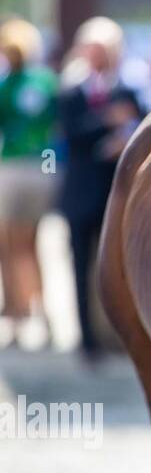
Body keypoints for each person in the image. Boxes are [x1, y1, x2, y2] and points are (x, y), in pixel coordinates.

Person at [56, 16, 145, 361]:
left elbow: (148, 122)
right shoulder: (71, 89)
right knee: (80, 264)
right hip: (80, 191)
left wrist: (125, 140)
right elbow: (70, 135)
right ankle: (87, 339)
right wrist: (107, 123)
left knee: (117, 264)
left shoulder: (128, 87)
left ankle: (118, 334)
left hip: (116, 190)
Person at [0, 19, 59, 348]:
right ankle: (42, 315)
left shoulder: (6, 85)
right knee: (33, 245)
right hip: (45, 167)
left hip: (13, 166)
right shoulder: (47, 81)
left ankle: (22, 316)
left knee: (12, 247)